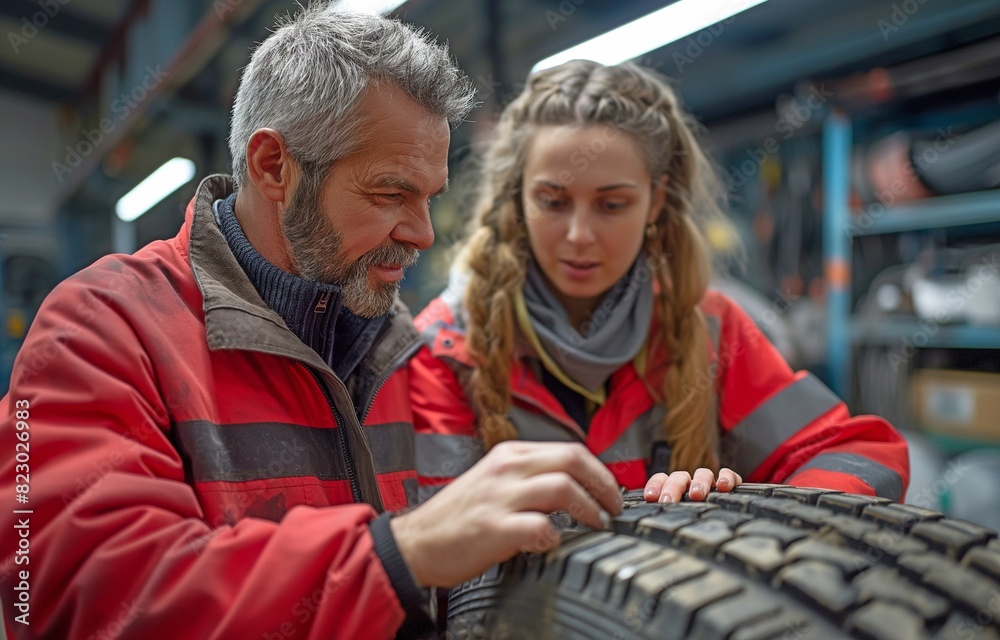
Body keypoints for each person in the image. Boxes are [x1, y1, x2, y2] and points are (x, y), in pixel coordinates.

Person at [0, 8, 623, 639]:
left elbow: (471, 553)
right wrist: (392, 557)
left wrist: (654, 511)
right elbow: (80, 602)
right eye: (391, 194)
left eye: (429, 197)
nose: (425, 234)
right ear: (273, 167)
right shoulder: (100, 330)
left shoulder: (397, 349)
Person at [410, 60, 909, 506]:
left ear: (656, 199)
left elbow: (862, 455)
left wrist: (753, 524)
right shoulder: (445, 349)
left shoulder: (712, 328)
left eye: (612, 205)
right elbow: (440, 561)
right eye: (553, 201)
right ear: (516, 197)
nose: (579, 236)